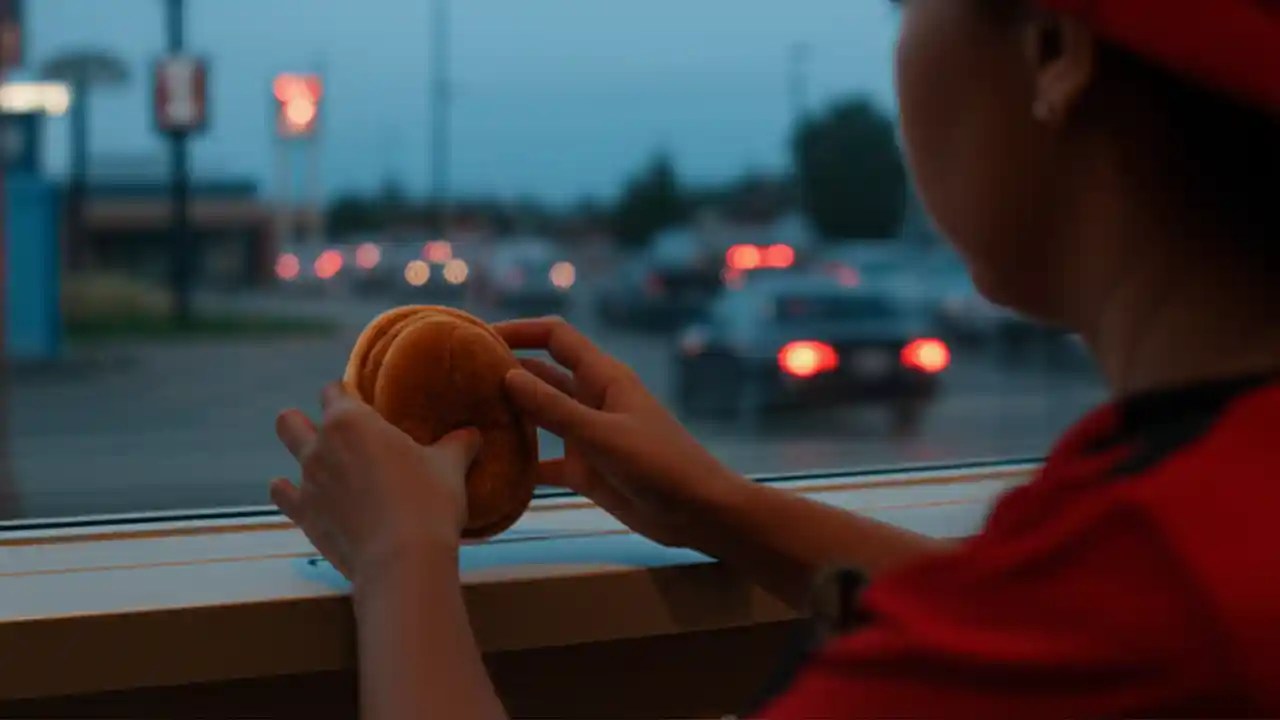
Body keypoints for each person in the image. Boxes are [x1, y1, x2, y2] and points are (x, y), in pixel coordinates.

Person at [271, 0, 1280, 716]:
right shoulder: (1187, 511)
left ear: (1053, 47)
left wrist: (401, 563)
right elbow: (1038, 617)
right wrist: (718, 508)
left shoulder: (1165, 601)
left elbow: (1066, 632)